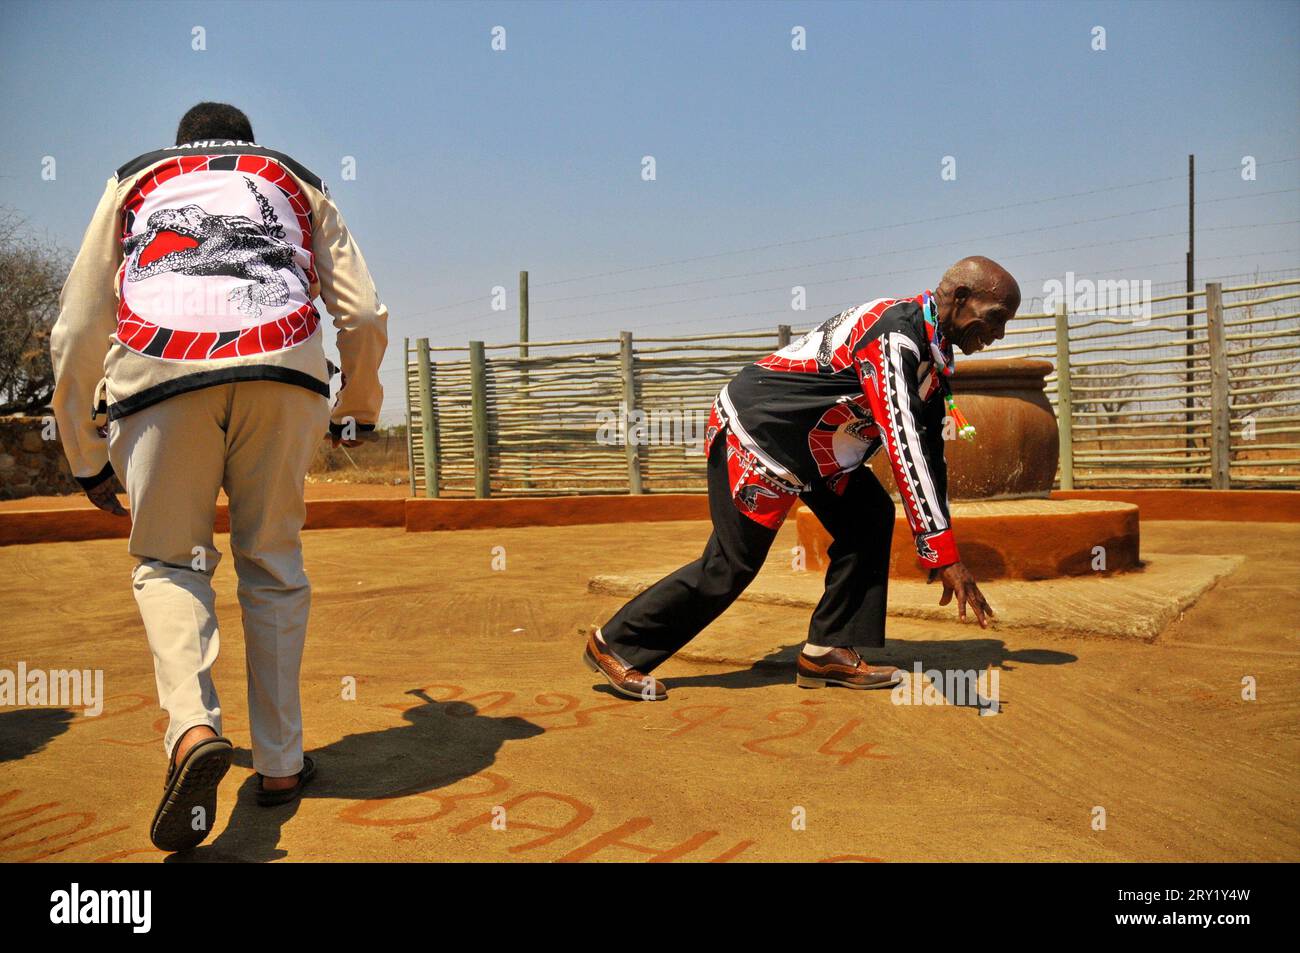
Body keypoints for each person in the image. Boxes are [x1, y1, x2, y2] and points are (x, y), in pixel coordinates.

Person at [50, 102, 388, 851]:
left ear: (185, 150)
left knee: (171, 561)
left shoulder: (135, 178)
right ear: (247, 144)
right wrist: (355, 407)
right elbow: (362, 314)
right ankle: (279, 763)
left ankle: (193, 728)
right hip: (283, 373)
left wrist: (83, 453)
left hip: (159, 378)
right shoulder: (295, 178)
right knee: (272, 560)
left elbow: (76, 326)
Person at [584, 257, 1019, 700]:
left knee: (869, 517)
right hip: (761, 435)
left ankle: (828, 649)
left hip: (818, 451)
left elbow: (929, 452)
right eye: (996, 319)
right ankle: (617, 646)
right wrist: (943, 555)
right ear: (962, 299)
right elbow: (903, 441)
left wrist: (939, 546)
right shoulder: (895, 337)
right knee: (731, 565)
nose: (998, 334)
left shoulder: (932, 355)